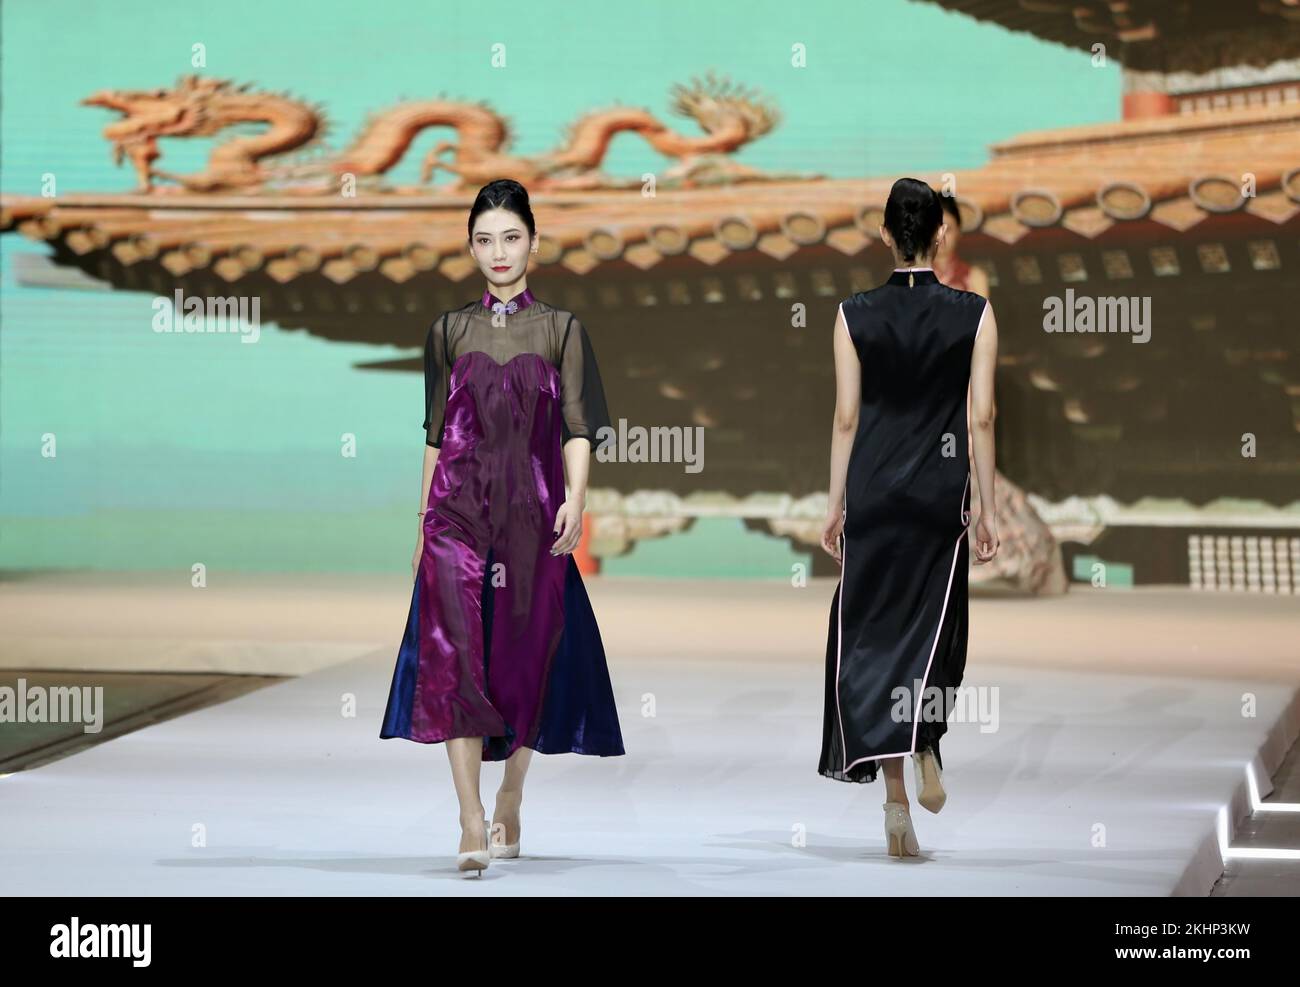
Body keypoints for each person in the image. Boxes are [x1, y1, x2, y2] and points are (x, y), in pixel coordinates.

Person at [380, 178, 625, 876]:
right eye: (484, 239)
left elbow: (579, 426)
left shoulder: (561, 330)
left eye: (510, 236)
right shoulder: (448, 330)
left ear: (534, 243)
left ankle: (510, 796)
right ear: (469, 247)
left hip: (533, 518)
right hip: (458, 514)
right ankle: (467, 816)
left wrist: (577, 497)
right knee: (455, 656)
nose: (498, 251)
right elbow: (435, 435)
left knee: (523, 661)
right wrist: (423, 519)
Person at [818, 178, 999, 858]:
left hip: (873, 490)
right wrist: (984, 505)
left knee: (874, 636)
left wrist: (834, 503)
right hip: (937, 494)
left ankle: (896, 799)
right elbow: (980, 417)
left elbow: (845, 417)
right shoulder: (974, 314)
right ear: (943, 234)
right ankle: (925, 738)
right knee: (937, 633)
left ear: (886, 235)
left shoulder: (852, 313)